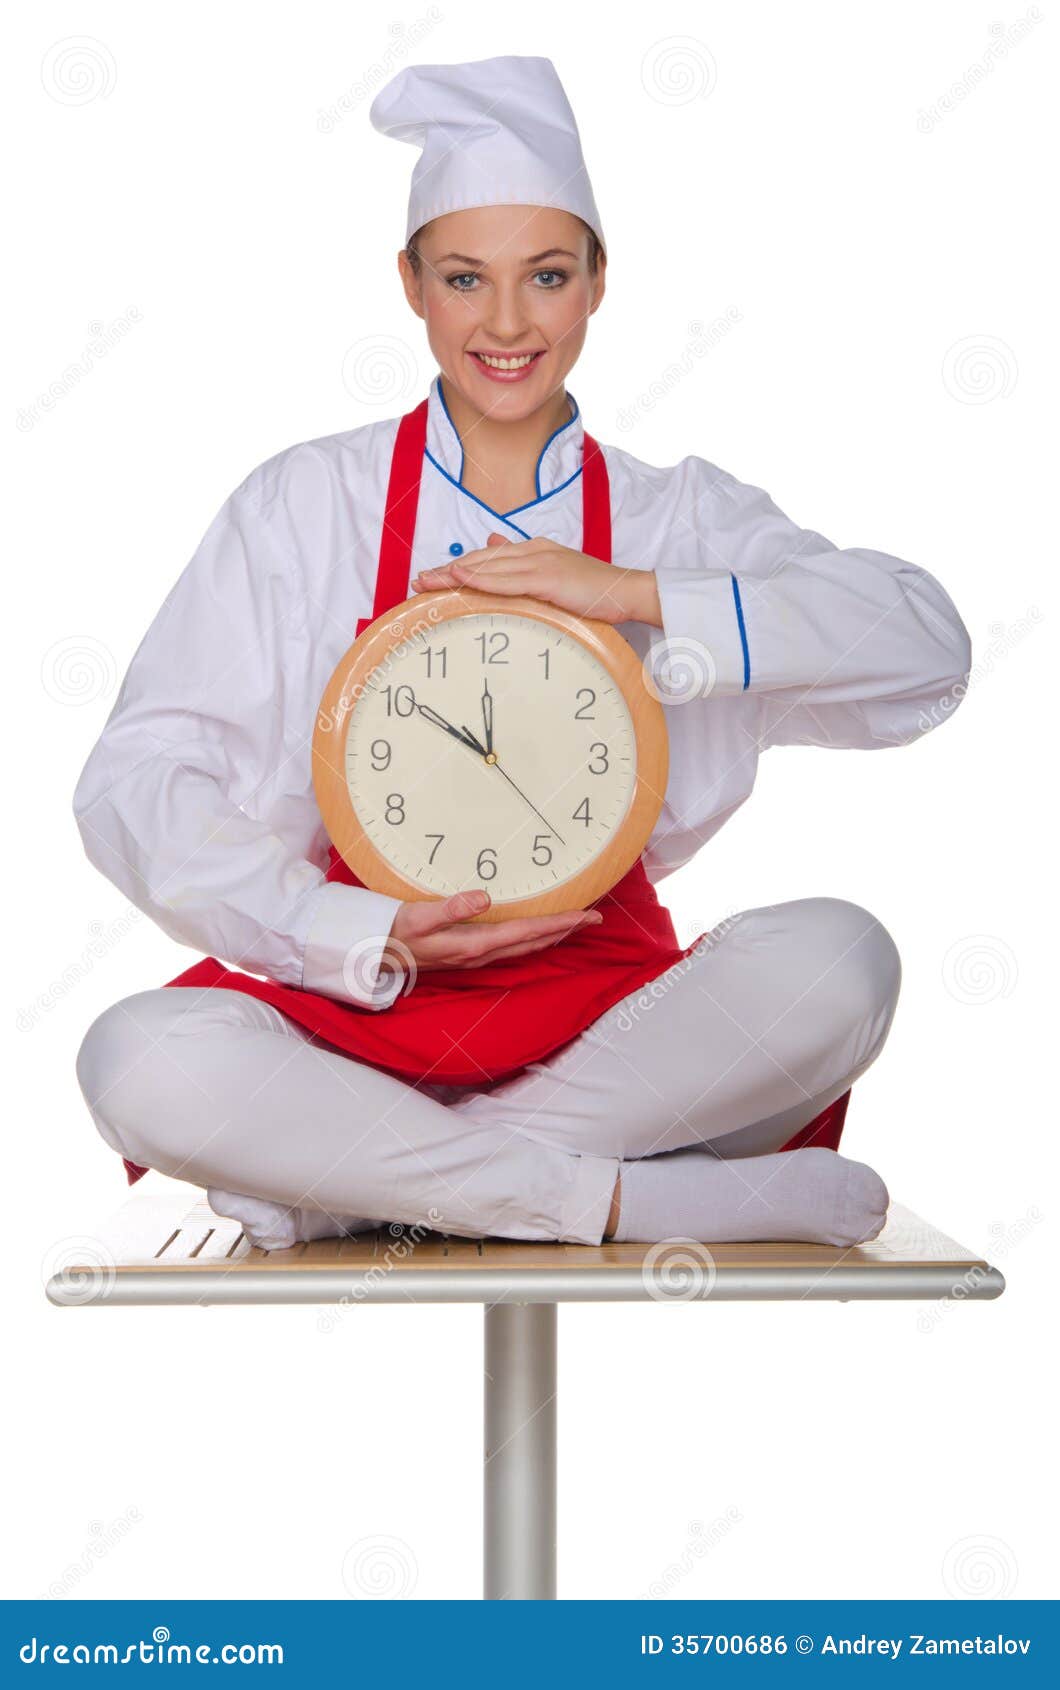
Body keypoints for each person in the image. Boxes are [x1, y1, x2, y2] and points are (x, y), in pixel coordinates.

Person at [73, 56, 970, 1252]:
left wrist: (635, 593)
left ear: (598, 282)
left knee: (844, 961)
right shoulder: (305, 506)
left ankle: (371, 1186)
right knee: (136, 1057)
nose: (505, 325)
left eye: (546, 276)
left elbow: (926, 647)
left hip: (605, 1011)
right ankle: (607, 1196)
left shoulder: (673, 516)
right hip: (356, 1001)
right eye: (464, 279)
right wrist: (347, 927)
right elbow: (131, 783)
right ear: (411, 286)